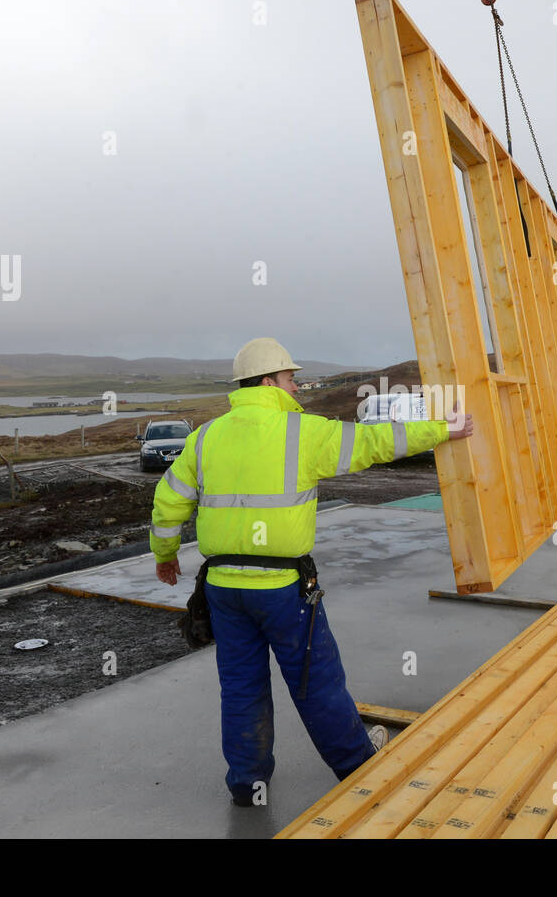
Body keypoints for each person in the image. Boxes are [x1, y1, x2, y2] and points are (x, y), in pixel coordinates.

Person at [150, 337, 473, 806]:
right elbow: (376, 441)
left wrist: (165, 555)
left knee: (241, 687)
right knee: (315, 682)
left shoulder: (205, 437)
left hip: (222, 588)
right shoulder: (301, 432)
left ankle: (247, 783)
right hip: (282, 589)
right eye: (289, 378)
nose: (296, 386)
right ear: (267, 381)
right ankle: (357, 768)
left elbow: (167, 501)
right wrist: (444, 429)